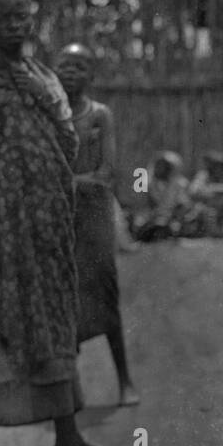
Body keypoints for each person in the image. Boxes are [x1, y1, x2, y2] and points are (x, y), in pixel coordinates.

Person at [0, 0, 118, 446]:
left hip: (48, 230)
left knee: (54, 322)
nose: (15, 23)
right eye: (3, 15)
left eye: (22, 14)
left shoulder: (44, 77)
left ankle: (66, 432)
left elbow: (66, 146)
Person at [54, 42, 140, 406]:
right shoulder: (50, 115)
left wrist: (68, 181)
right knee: (62, 295)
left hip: (93, 217)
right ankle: (71, 389)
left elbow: (108, 172)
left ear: (91, 75)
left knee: (104, 292)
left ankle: (124, 380)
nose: (71, 73)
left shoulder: (99, 114)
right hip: (59, 219)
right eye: (64, 66)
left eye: (79, 66)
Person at [132, 151, 198, 241]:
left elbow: (183, 205)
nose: (159, 169)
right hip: (152, 216)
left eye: (163, 166)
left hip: (173, 218)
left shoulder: (180, 184)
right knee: (138, 224)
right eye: (158, 165)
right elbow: (144, 205)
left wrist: (172, 217)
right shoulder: (147, 183)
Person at [188, 151, 223, 236]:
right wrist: (214, 191)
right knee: (204, 212)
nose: (218, 169)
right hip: (207, 207)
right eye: (215, 166)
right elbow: (193, 191)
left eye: (220, 166)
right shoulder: (203, 176)